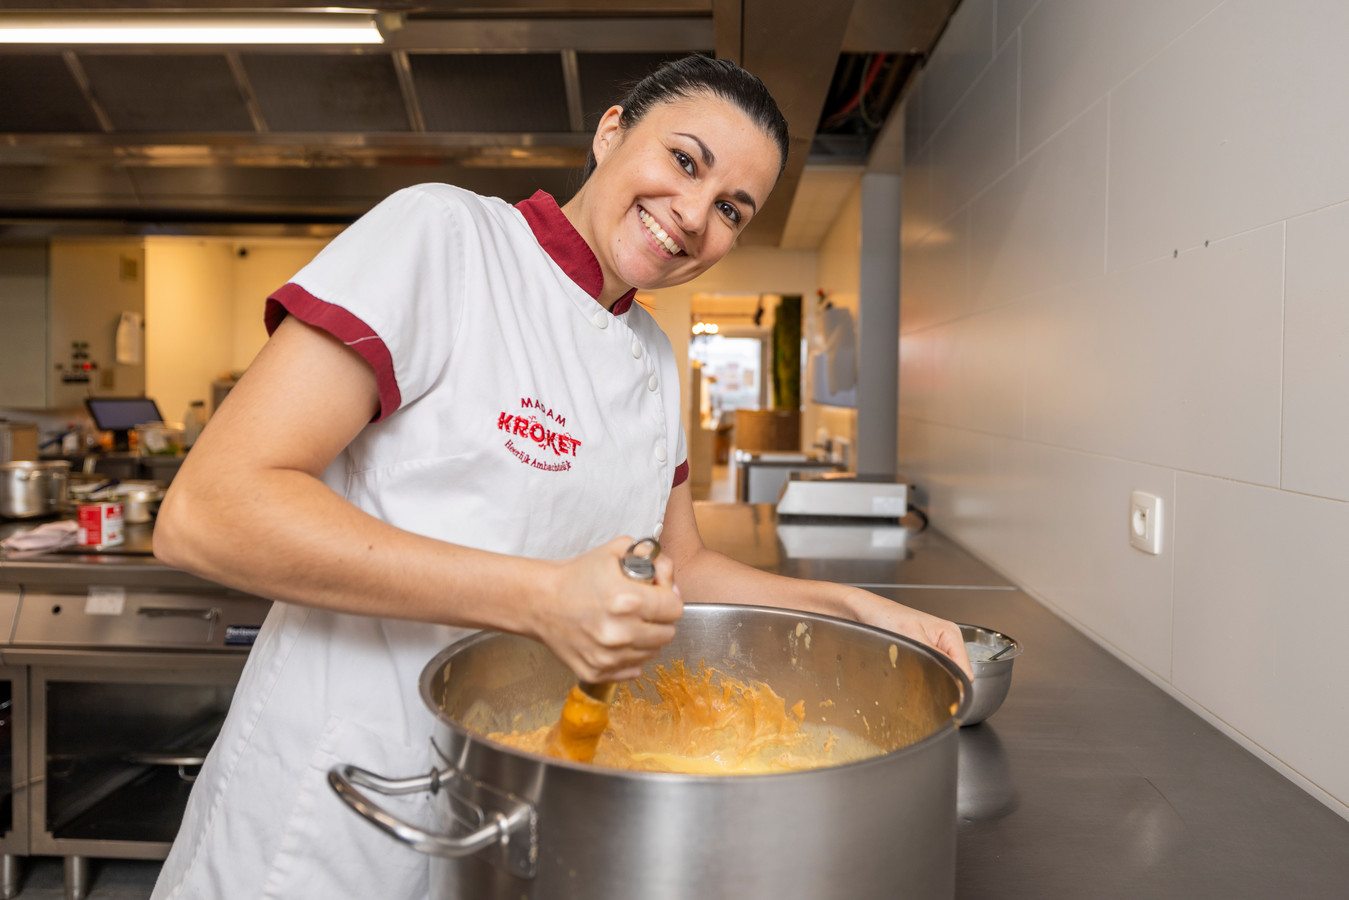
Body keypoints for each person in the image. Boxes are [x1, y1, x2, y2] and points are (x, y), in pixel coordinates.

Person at [149, 55, 972, 900]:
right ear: (611, 131)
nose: (694, 216)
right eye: (684, 160)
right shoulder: (446, 239)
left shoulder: (653, 358)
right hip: (339, 803)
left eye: (732, 208)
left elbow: (676, 567)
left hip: (511, 807)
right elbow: (210, 511)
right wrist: (543, 598)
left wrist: (855, 610)